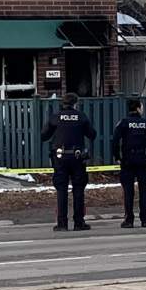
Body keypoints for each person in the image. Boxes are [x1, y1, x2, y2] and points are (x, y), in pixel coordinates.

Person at [41, 92, 96, 232]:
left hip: (60, 158)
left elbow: (44, 136)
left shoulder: (55, 117)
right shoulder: (81, 117)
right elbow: (92, 134)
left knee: (61, 190)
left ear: (63, 103)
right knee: (78, 190)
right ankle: (79, 222)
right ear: (75, 104)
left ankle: (62, 223)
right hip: (77, 158)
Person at [112, 98, 146, 228]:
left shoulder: (123, 123)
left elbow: (115, 141)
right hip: (143, 160)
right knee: (144, 190)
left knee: (128, 191)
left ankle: (129, 220)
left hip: (127, 160)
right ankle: (145, 220)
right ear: (138, 108)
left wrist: (117, 156)